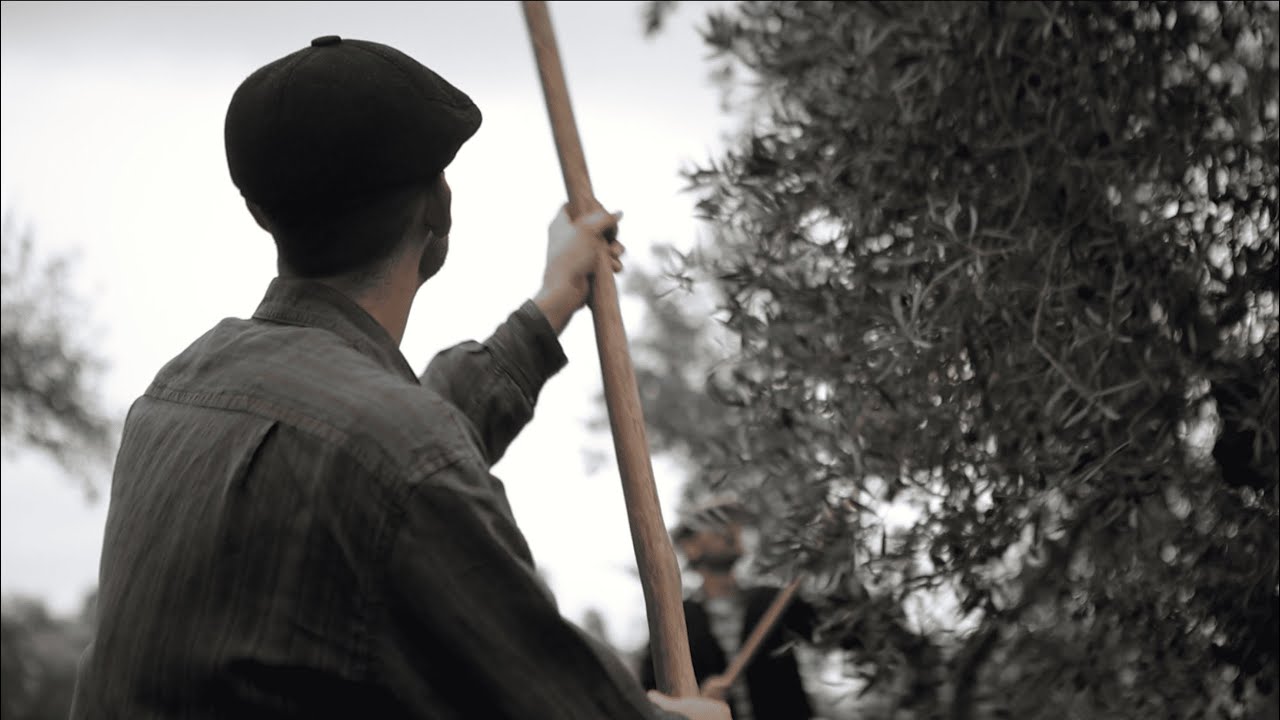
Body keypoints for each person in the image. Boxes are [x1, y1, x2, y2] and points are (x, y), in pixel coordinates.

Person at [69, 35, 728, 720]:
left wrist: (552, 302)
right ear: (438, 211)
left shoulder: (174, 395)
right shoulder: (402, 455)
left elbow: (380, 452)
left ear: (262, 213)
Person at [640, 498, 817, 720]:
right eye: (712, 522)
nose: (728, 528)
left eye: (730, 521)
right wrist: (695, 703)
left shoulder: (772, 601)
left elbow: (838, 631)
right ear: (691, 547)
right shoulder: (675, 622)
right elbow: (650, 697)